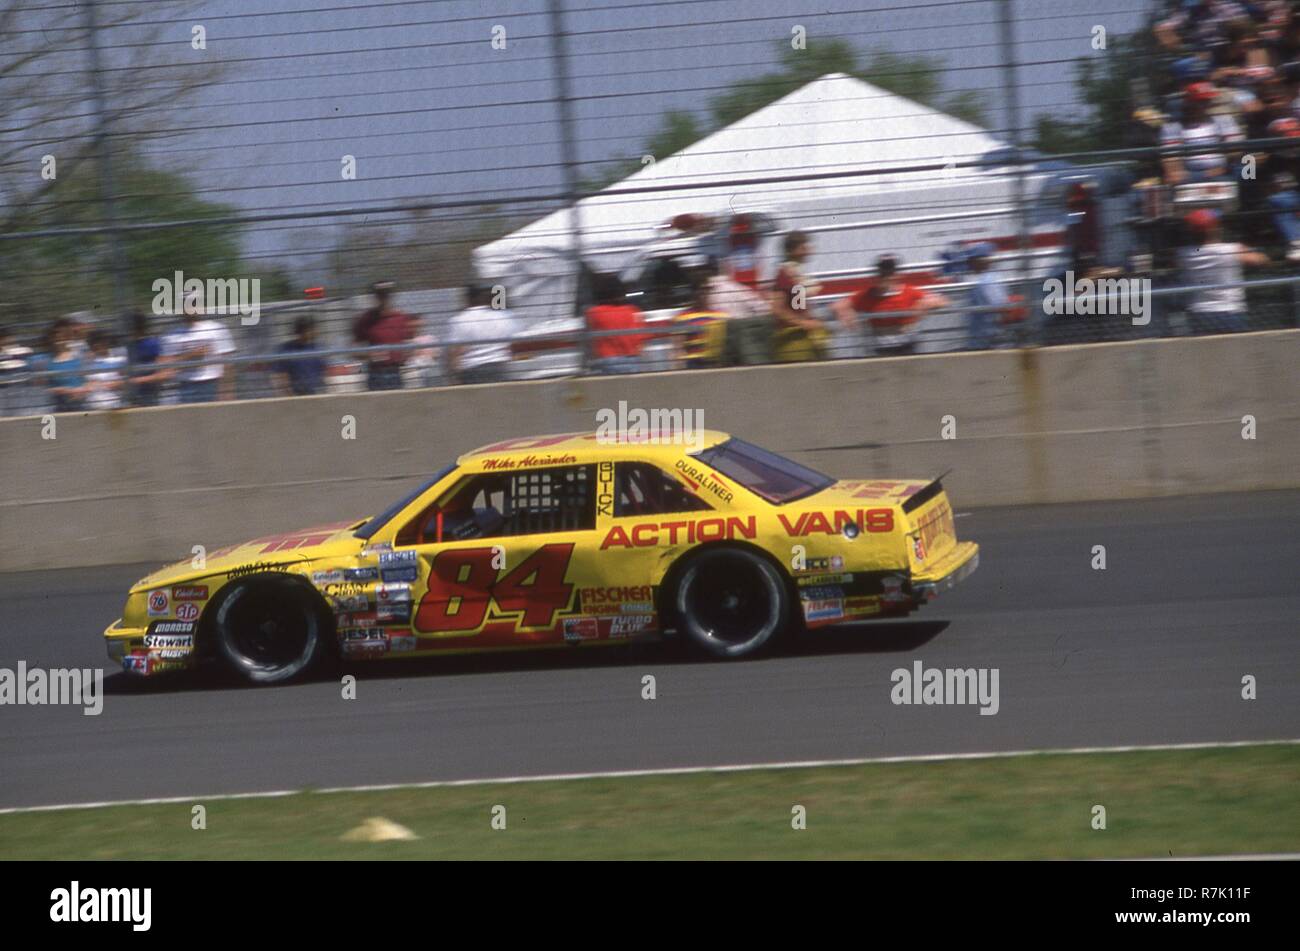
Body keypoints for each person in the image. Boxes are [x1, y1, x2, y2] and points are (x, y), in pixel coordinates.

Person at [833, 253, 950, 356]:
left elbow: (943, 301)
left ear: (897, 275)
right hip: (880, 348)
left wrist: (927, 303)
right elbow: (838, 305)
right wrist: (845, 310)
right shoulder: (866, 295)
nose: (886, 276)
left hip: (907, 345)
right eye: (882, 273)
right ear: (876, 274)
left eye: (890, 272)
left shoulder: (909, 292)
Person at [1177, 208, 1269, 334]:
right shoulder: (1231, 249)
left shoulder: (1184, 254)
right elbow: (1261, 260)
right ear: (1214, 229)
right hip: (1229, 311)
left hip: (1199, 312)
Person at [1160, 82, 1244, 185]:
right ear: (1189, 102)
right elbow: (1172, 166)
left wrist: (1222, 169)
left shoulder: (1224, 120)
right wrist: (1206, 174)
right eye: (1201, 101)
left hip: (1225, 170)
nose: (1206, 105)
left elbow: (1236, 152)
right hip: (1191, 175)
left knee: (1250, 170)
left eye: (1208, 101)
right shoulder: (1172, 128)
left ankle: (1252, 200)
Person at [770, 230, 828, 363]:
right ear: (792, 250)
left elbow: (797, 305)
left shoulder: (796, 274)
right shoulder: (784, 276)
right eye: (803, 247)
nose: (808, 250)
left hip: (802, 338)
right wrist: (803, 323)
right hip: (791, 341)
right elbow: (777, 309)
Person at [446, 283, 519, 385]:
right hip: (501, 368)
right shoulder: (504, 316)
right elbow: (513, 345)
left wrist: (454, 378)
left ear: (467, 298)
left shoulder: (459, 319)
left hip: (472, 371)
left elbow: (456, 352)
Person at [162, 307, 237, 403]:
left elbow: (228, 365)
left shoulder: (216, 329)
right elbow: (166, 368)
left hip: (211, 383)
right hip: (185, 385)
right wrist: (192, 355)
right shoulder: (172, 335)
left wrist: (227, 393)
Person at [352, 280, 415, 391]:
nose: (384, 299)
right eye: (380, 295)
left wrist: (405, 355)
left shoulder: (401, 318)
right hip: (376, 373)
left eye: (387, 295)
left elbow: (410, 343)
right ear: (375, 297)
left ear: (391, 296)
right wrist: (369, 355)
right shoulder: (366, 319)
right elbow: (353, 350)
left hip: (396, 372)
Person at [706, 258, 772, 364]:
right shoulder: (738, 288)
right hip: (743, 336)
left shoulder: (707, 294)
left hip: (720, 342)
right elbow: (763, 308)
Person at [584, 273, 648, 374]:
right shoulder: (633, 311)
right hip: (632, 360)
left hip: (606, 361)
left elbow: (590, 341)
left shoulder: (593, 313)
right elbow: (640, 338)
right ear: (621, 293)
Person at [965, 243, 1016, 350]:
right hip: (987, 340)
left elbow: (1000, 307)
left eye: (971, 260)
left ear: (981, 261)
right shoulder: (991, 278)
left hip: (989, 342)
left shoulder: (988, 281)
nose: (969, 264)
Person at [672, 273, 729, 369]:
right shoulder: (683, 317)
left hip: (717, 362)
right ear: (694, 293)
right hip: (694, 364)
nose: (703, 294)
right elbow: (678, 348)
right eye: (700, 291)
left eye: (706, 290)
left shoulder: (721, 316)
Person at [38, 317, 87, 413]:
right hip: (59, 407)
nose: (60, 336)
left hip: (83, 405)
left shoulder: (82, 356)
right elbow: (41, 390)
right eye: (56, 333)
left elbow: (92, 380)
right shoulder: (44, 361)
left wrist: (83, 390)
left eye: (64, 333)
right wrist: (65, 391)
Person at [274, 315, 329, 396]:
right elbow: (281, 375)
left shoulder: (318, 348)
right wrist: (288, 395)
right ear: (302, 331)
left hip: (316, 393)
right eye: (311, 329)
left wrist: (325, 391)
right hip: (296, 393)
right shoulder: (287, 349)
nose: (316, 332)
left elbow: (324, 371)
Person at [125, 311, 167, 407]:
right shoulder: (130, 346)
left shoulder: (153, 344)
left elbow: (163, 374)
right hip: (134, 396)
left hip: (152, 395)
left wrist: (138, 380)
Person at [83, 329, 127, 410]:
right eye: (94, 343)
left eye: (101, 342)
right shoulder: (89, 363)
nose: (98, 346)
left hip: (115, 400)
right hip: (94, 402)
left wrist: (111, 384)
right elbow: (89, 384)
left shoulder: (120, 359)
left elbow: (125, 381)